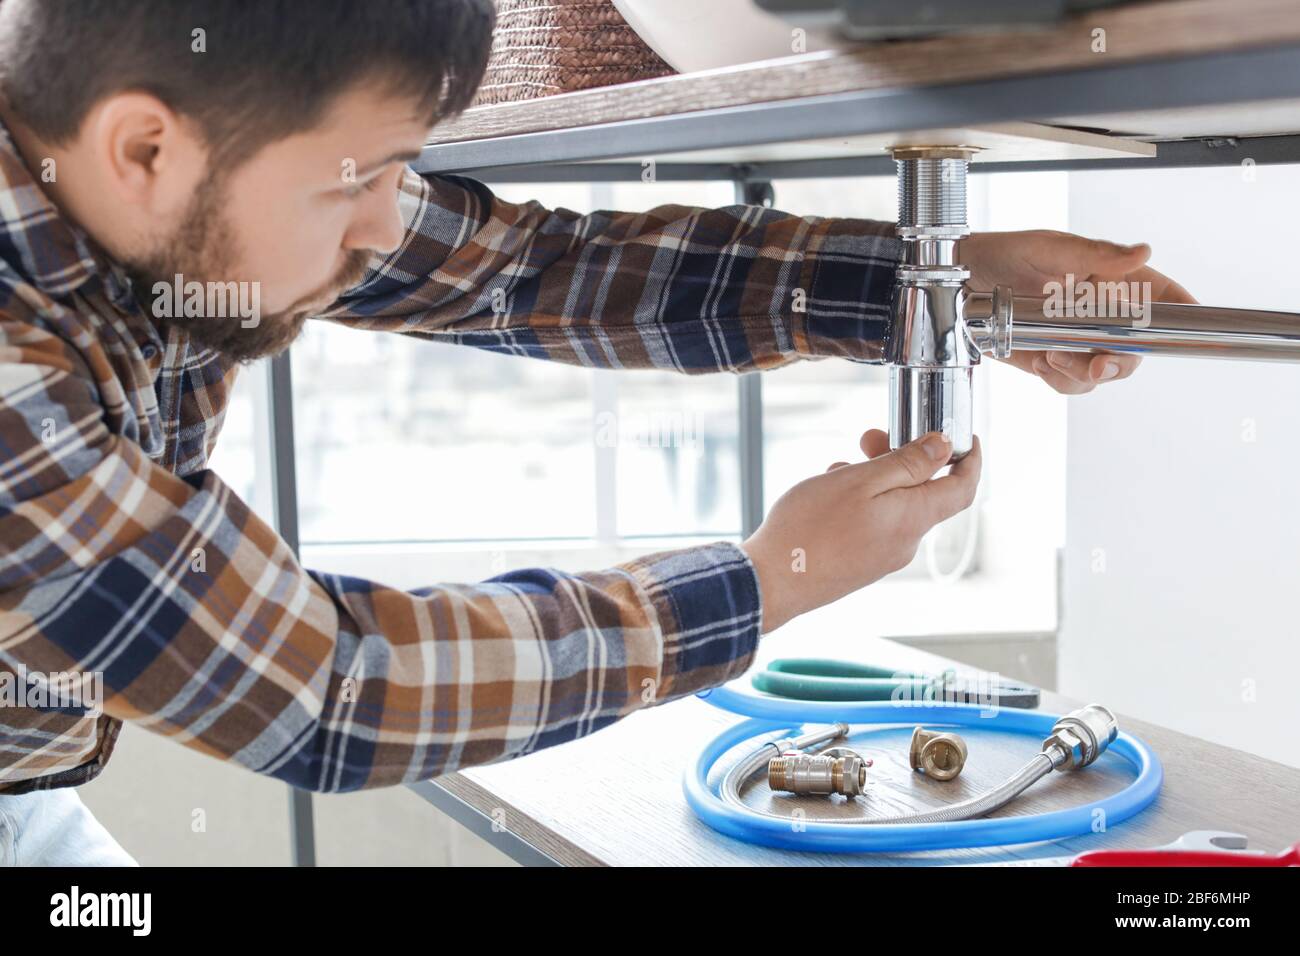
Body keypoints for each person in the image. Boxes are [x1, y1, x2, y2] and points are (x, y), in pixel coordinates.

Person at [0, 0, 1193, 866]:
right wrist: (766, 578)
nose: (385, 229)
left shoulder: (169, 179)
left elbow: (533, 271)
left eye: (396, 174)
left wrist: (934, 277)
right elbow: (331, 684)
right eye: (351, 185)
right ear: (145, 148)